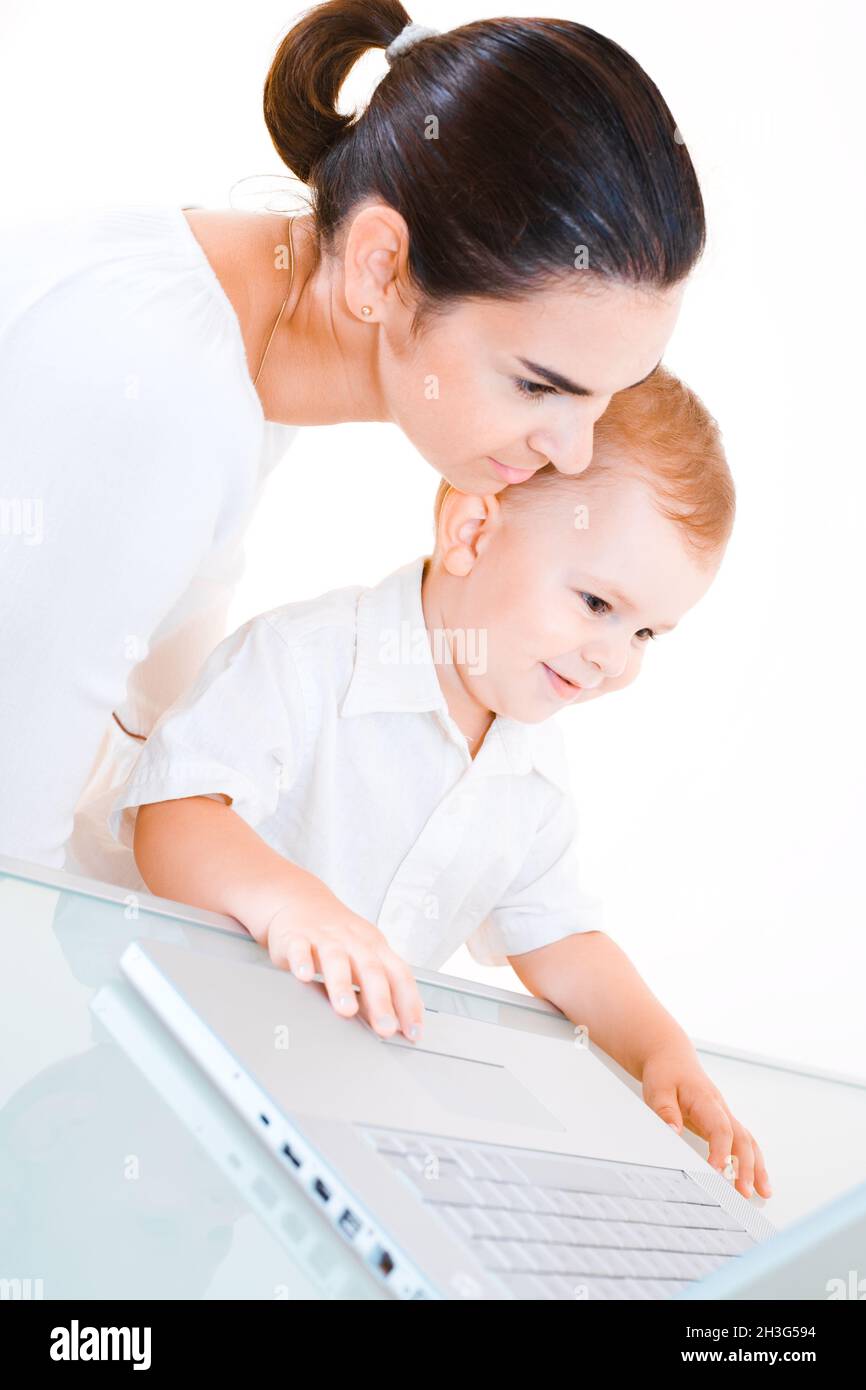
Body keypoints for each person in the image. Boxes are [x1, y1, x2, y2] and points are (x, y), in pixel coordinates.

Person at [0, 1, 706, 872]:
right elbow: (10, 854)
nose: (573, 452)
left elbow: (141, 720)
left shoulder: (238, 354)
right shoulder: (150, 389)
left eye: (602, 400)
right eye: (536, 386)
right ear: (381, 265)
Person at [104, 365, 772, 1202]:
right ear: (472, 531)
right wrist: (289, 901)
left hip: (319, 1111)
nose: (614, 658)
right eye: (598, 603)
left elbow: (559, 939)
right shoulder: (307, 659)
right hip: (162, 1059)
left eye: (646, 632)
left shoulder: (531, 774)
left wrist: (660, 1049)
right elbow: (174, 814)